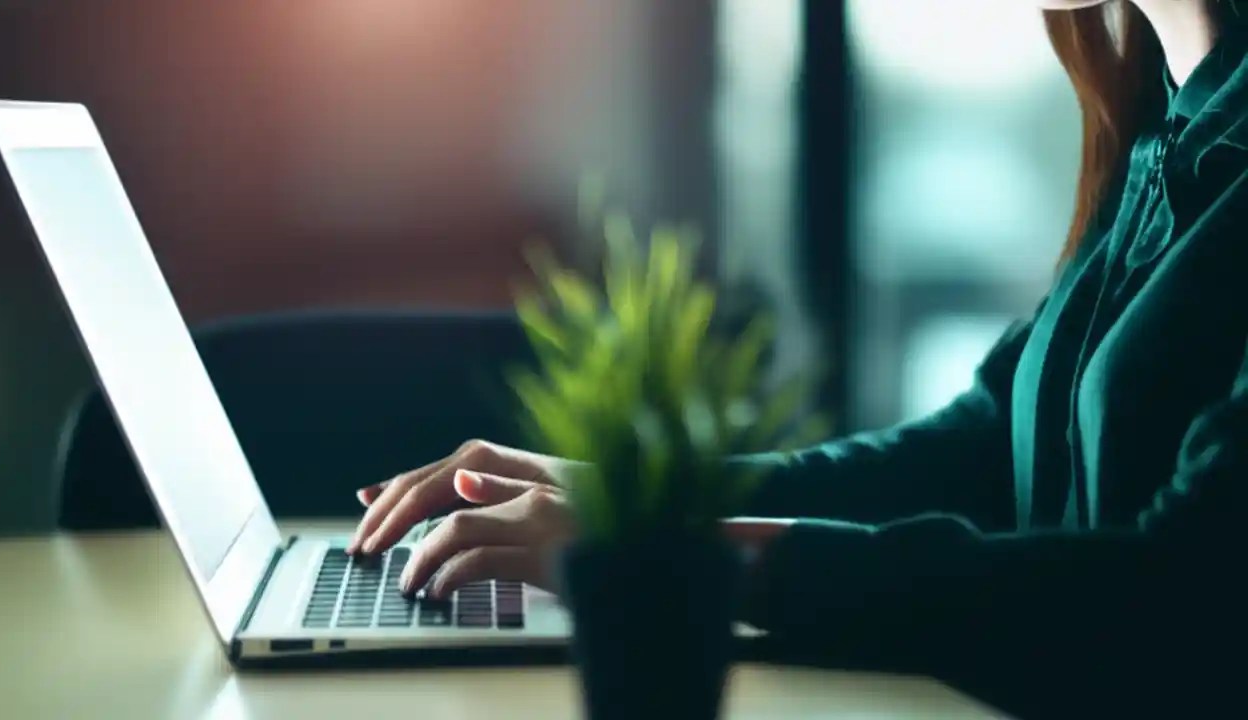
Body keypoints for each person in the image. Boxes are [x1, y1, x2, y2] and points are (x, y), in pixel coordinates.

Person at [349, 1, 1247, 715]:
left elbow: (1182, 597)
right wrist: (635, 502)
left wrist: (680, 559)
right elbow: (982, 449)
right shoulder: (1162, 124)